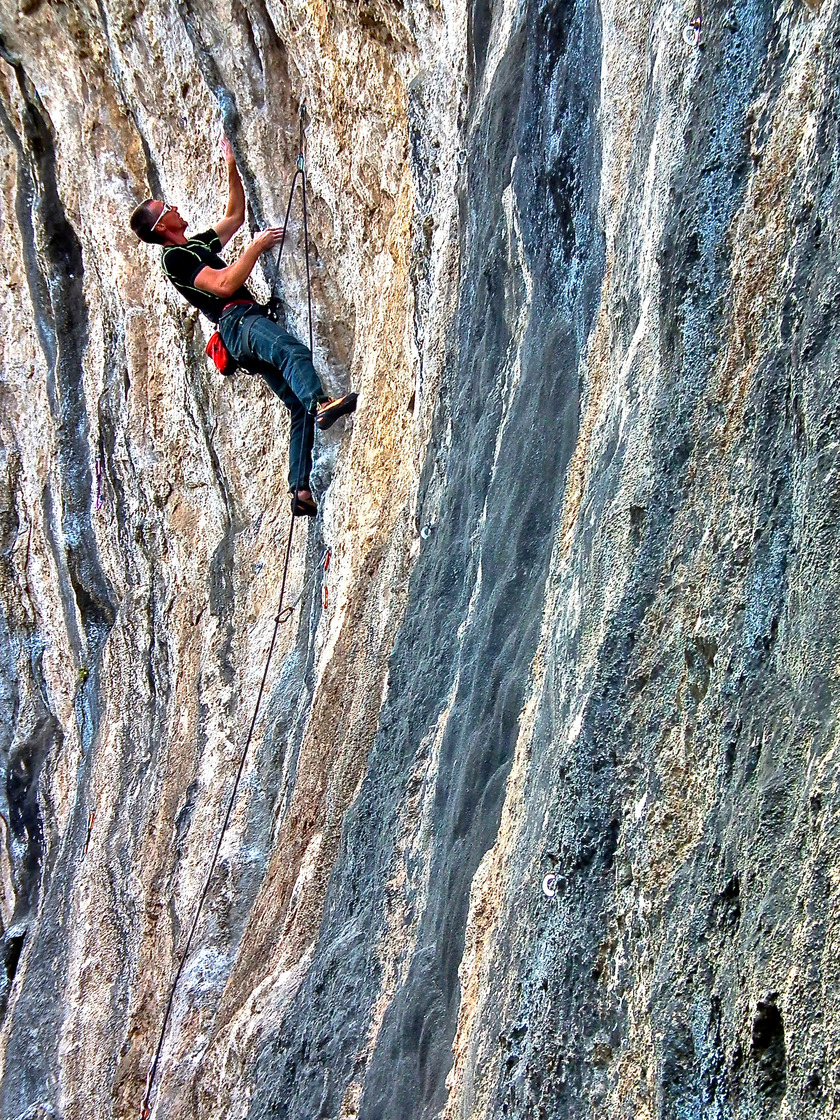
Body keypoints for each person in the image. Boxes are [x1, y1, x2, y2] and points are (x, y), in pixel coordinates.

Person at [129, 138, 356, 517]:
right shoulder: (175, 258)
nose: (175, 207)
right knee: (291, 352)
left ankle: (300, 490)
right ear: (162, 225)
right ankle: (322, 404)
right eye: (168, 208)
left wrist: (231, 164)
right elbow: (222, 285)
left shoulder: (194, 245)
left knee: (295, 407)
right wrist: (254, 248)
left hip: (241, 327)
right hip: (238, 322)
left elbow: (234, 216)